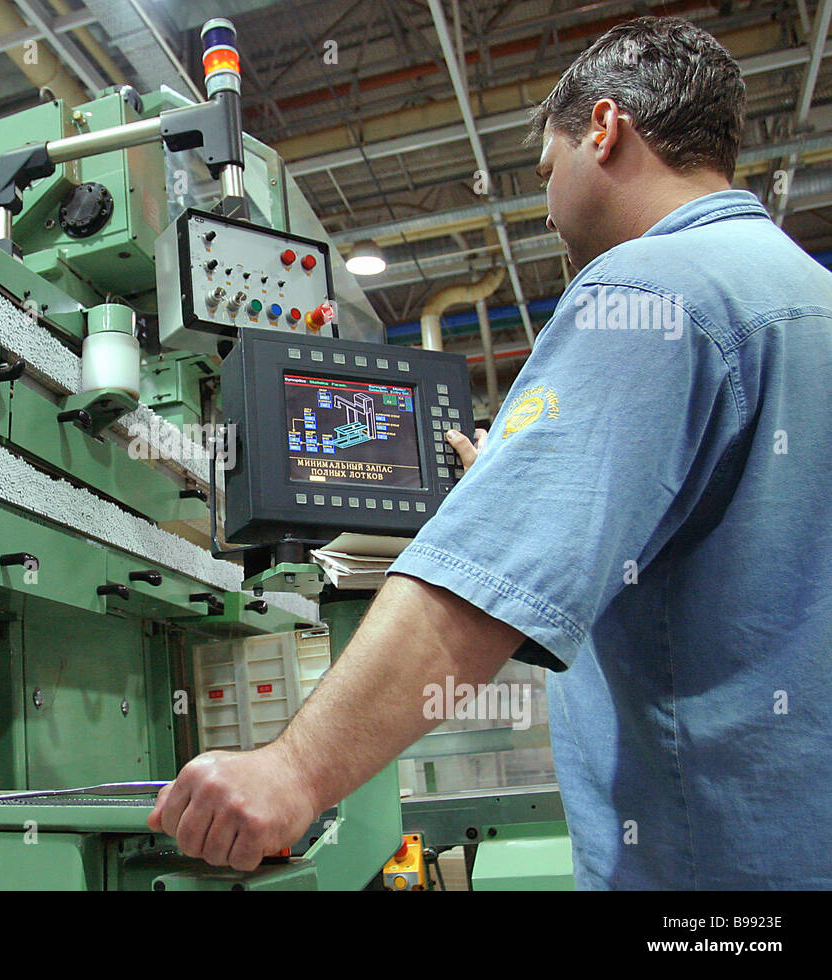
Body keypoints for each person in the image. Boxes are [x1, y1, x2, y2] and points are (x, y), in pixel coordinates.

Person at [148, 15, 832, 889]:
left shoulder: (645, 290)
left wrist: (291, 773)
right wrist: (524, 490)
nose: (548, 210)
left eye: (547, 171)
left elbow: (474, 589)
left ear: (604, 128)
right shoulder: (807, 296)